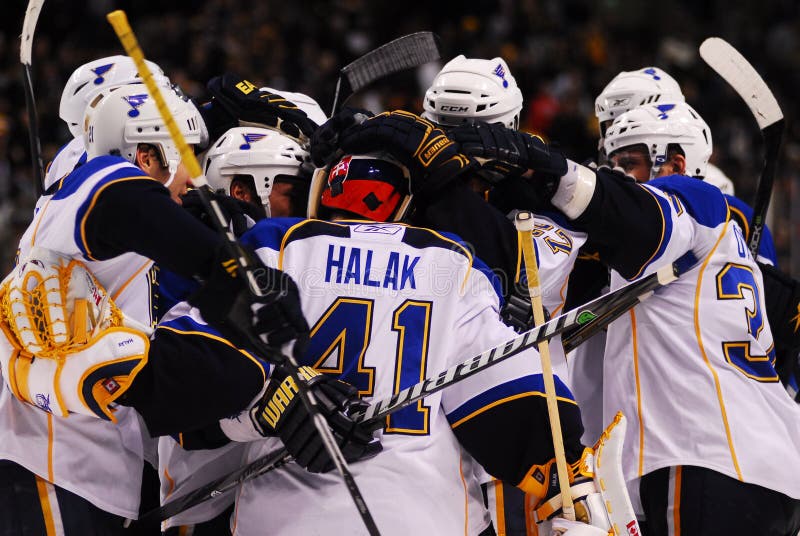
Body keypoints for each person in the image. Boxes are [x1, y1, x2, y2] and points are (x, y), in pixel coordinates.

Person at [0, 83, 357, 535]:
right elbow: (129, 205)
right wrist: (228, 273)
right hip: (53, 465)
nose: (194, 177)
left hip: (88, 477)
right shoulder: (96, 181)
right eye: (184, 157)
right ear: (146, 155)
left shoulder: (123, 242)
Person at [224, 150, 615, 535]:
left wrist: (260, 411)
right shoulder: (450, 261)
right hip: (424, 513)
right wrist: (568, 476)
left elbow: (199, 373)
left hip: (282, 516)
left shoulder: (273, 246)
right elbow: (512, 401)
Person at [446, 113, 800, 535]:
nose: (615, 172)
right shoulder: (718, 254)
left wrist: (550, 166)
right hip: (760, 469)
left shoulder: (695, 197)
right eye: (611, 160)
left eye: (628, 160)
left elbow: (632, 215)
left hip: (705, 457)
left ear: (678, 164)